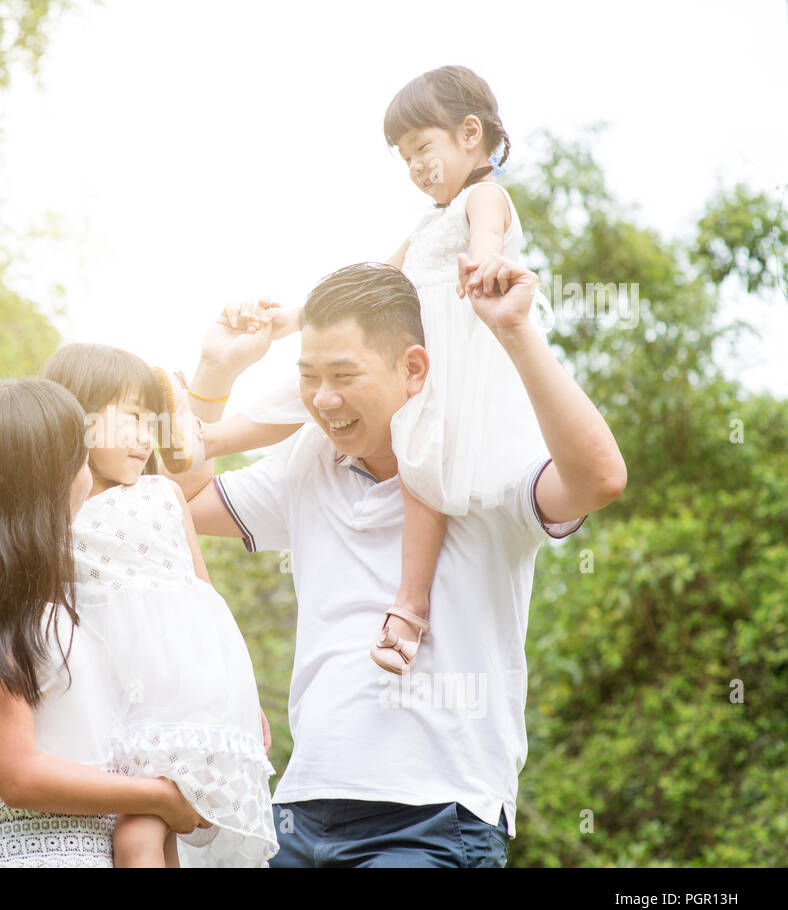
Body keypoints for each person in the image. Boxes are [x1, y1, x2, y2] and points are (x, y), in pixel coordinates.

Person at [164, 255, 626, 866]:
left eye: (344, 375)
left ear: (413, 368)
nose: (323, 400)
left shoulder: (479, 459)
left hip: (434, 818)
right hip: (301, 812)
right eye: (308, 376)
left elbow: (598, 478)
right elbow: (177, 503)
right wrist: (214, 374)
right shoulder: (307, 464)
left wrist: (515, 330)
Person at [191, 65, 551, 676]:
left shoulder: (483, 196)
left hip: (441, 372)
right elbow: (377, 283)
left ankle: (409, 607)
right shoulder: (424, 224)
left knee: (420, 468)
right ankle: (215, 437)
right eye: (404, 156)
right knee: (310, 387)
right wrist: (292, 319)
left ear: (470, 134)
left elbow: (488, 237)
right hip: (394, 354)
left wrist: (484, 265)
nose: (415, 166)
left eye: (422, 148)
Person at [0, 378, 211, 867]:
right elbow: (19, 775)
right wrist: (160, 798)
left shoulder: (51, 593)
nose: (88, 477)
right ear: (41, 482)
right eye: (80, 462)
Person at [41, 343, 278, 868]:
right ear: (77, 419)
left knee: (144, 829)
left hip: (184, 690)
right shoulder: (56, 516)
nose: (145, 437)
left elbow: (203, 590)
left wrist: (245, 696)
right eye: (131, 419)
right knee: (149, 829)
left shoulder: (163, 495)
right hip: (121, 695)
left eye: (152, 423)